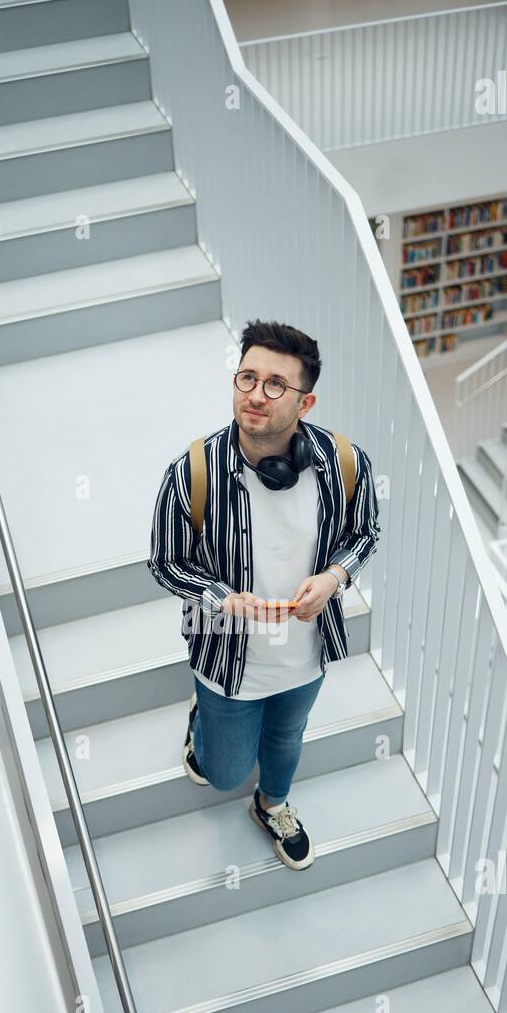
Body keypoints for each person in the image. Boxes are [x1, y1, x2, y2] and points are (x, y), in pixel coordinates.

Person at [147, 318, 380, 870]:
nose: (255, 395)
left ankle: (272, 803)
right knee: (220, 773)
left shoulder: (344, 465)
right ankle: (202, 718)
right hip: (226, 655)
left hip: (306, 656)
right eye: (246, 377)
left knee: (287, 738)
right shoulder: (191, 474)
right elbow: (165, 563)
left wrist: (335, 578)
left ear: (306, 402)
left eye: (276, 384)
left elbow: (364, 532)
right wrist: (219, 597)